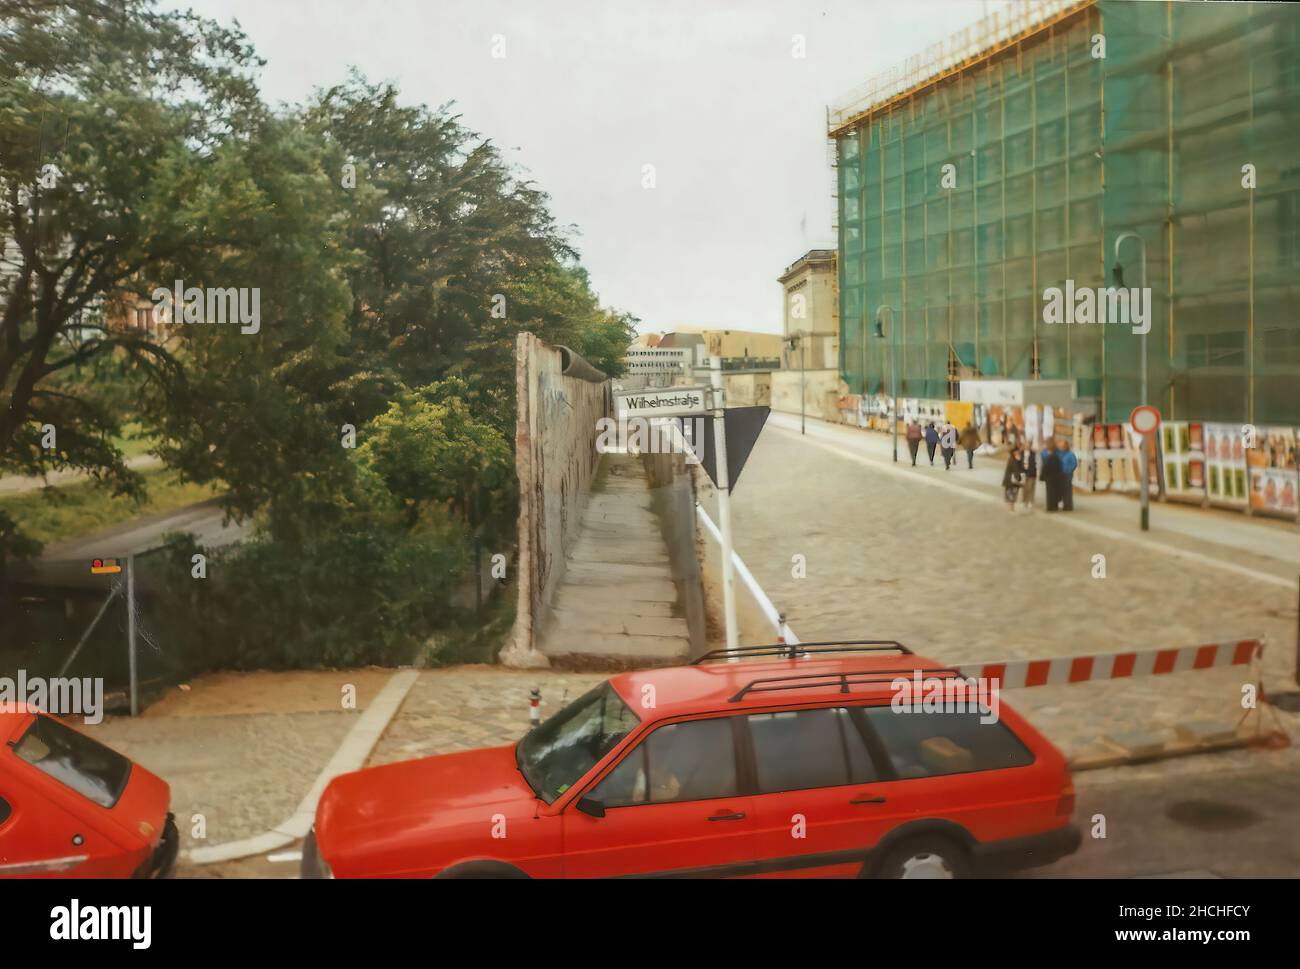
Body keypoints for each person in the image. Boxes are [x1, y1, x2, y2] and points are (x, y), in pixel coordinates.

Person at [1040, 438, 1061, 512]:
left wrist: (1041, 476)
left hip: (1049, 477)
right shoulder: (1057, 455)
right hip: (1056, 476)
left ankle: (1050, 507)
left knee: (1050, 492)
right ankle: (1055, 506)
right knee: (1055, 492)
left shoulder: (1048, 456)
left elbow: (1045, 467)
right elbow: (1059, 467)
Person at [1002, 446, 1025, 511]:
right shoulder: (1013, 459)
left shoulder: (1016, 459)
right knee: (1011, 493)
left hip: (1013, 480)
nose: (1018, 453)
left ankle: (1011, 507)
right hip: (1011, 480)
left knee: (1013, 493)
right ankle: (1011, 507)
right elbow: (1016, 469)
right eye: (1016, 452)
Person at [1058, 440, 1078, 511]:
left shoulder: (1070, 454)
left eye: (1063, 446)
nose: (1061, 447)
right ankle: (1061, 504)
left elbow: (1074, 464)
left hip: (1067, 475)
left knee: (1067, 491)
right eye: (1060, 446)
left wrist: (1068, 470)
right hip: (1060, 475)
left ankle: (1068, 506)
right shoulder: (1059, 454)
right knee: (1061, 490)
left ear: (1066, 446)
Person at [1021, 445, 1038, 510]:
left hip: (1032, 473)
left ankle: (1030, 501)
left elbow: (1036, 463)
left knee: (1030, 487)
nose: (1027, 446)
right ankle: (1024, 501)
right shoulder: (1022, 453)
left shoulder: (1033, 454)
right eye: (1026, 445)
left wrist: (1036, 471)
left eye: (1028, 445)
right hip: (1024, 473)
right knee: (1024, 488)